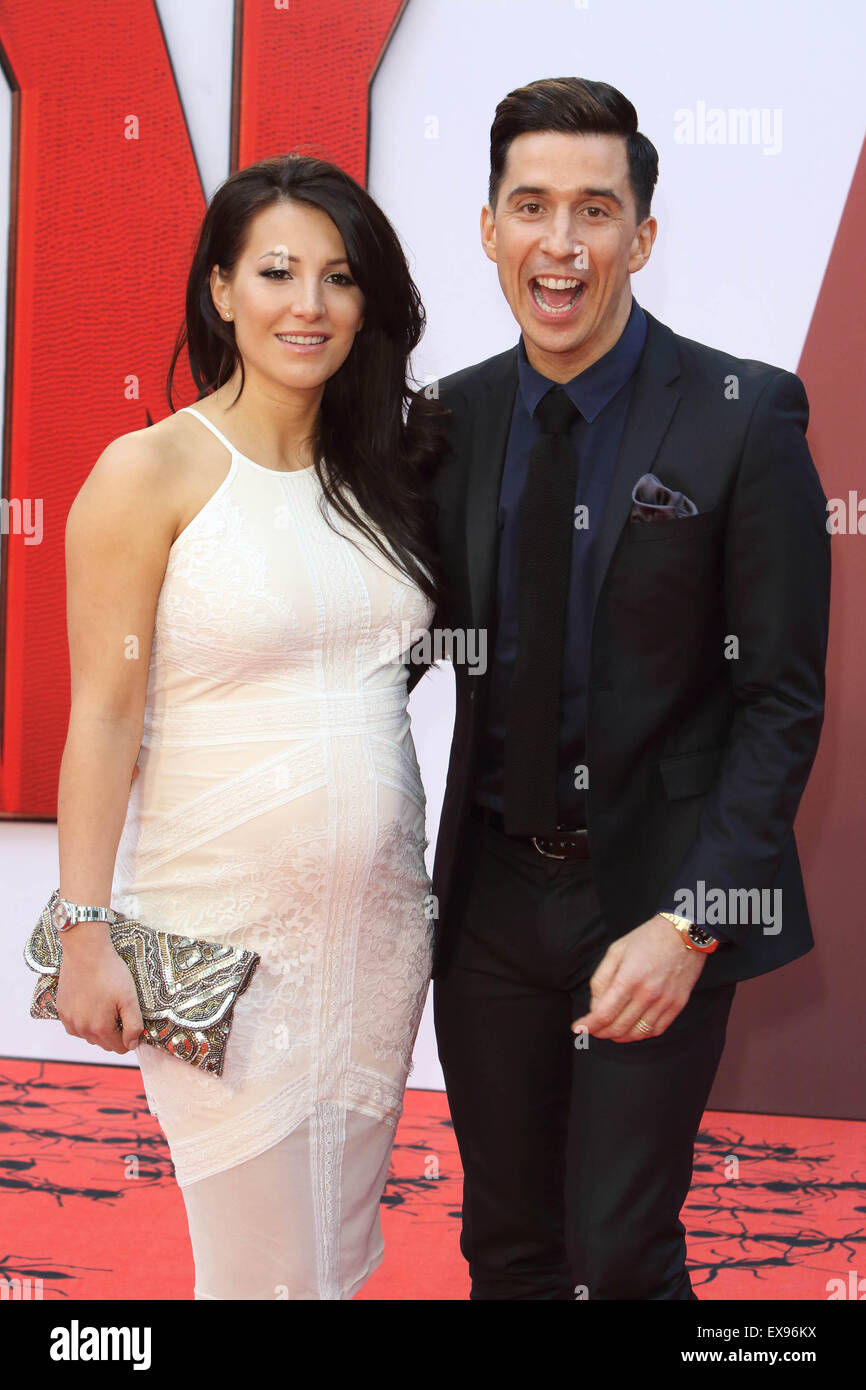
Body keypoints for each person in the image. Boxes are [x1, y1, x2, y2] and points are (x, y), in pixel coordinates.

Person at [407, 77, 831, 1300]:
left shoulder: (741, 416)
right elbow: (388, 639)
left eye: (594, 211)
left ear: (640, 237)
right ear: (486, 226)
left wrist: (691, 921)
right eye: (529, 205)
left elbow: (780, 701)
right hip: (487, 901)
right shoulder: (448, 418)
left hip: (651, 898)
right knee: (508, 1250)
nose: (559, 242)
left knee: (618, 1255)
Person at [55, 153, 446, 1300]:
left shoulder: (382, 471)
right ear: (220, 289)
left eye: (338, 277)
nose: (307, 304)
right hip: (218, 946)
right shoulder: (149, 469)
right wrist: (85, 928)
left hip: (377, 942)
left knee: (328, 1261)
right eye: (276, 271)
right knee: (260, 1273)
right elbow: (103, 710)